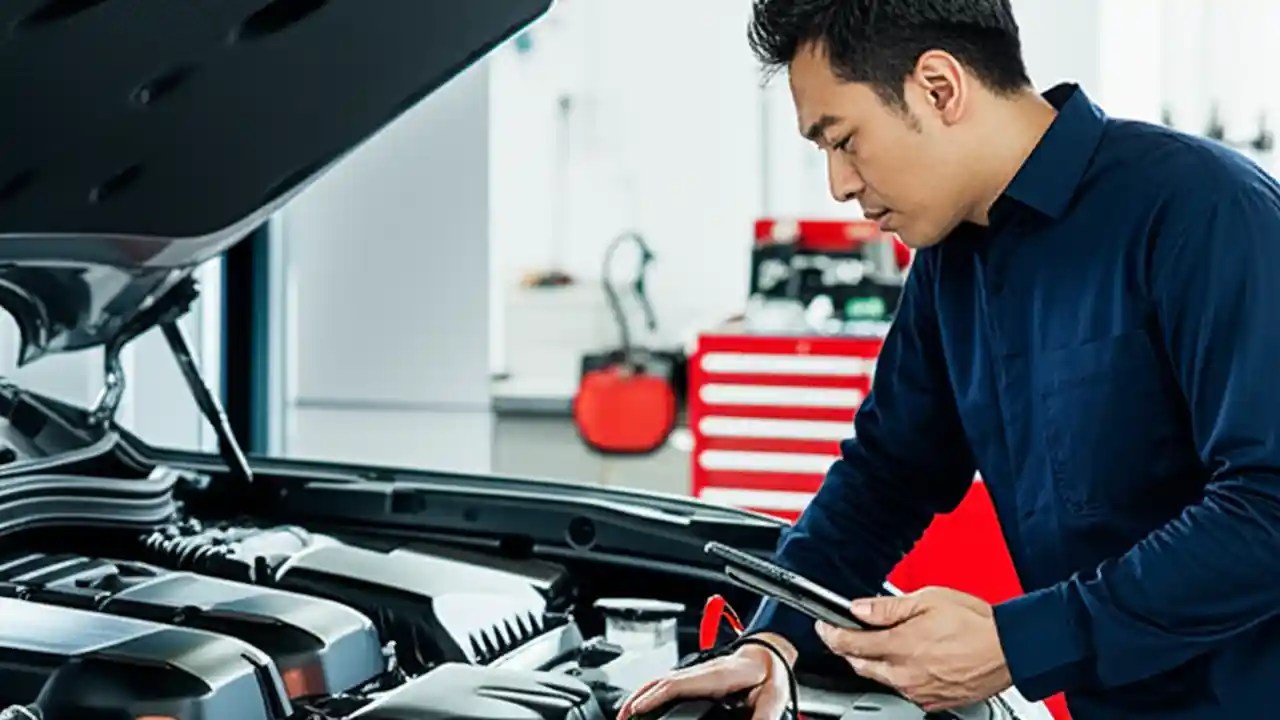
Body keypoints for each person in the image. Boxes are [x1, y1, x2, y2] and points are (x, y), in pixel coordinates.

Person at [617, 1, 1280, 719]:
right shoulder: (951, 258)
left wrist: (1019, 640)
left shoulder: (1203, 211)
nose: (839, 184)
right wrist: (769, 641)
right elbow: (888, 471)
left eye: (843, 141)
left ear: (939, 87)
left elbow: (1268, 505)